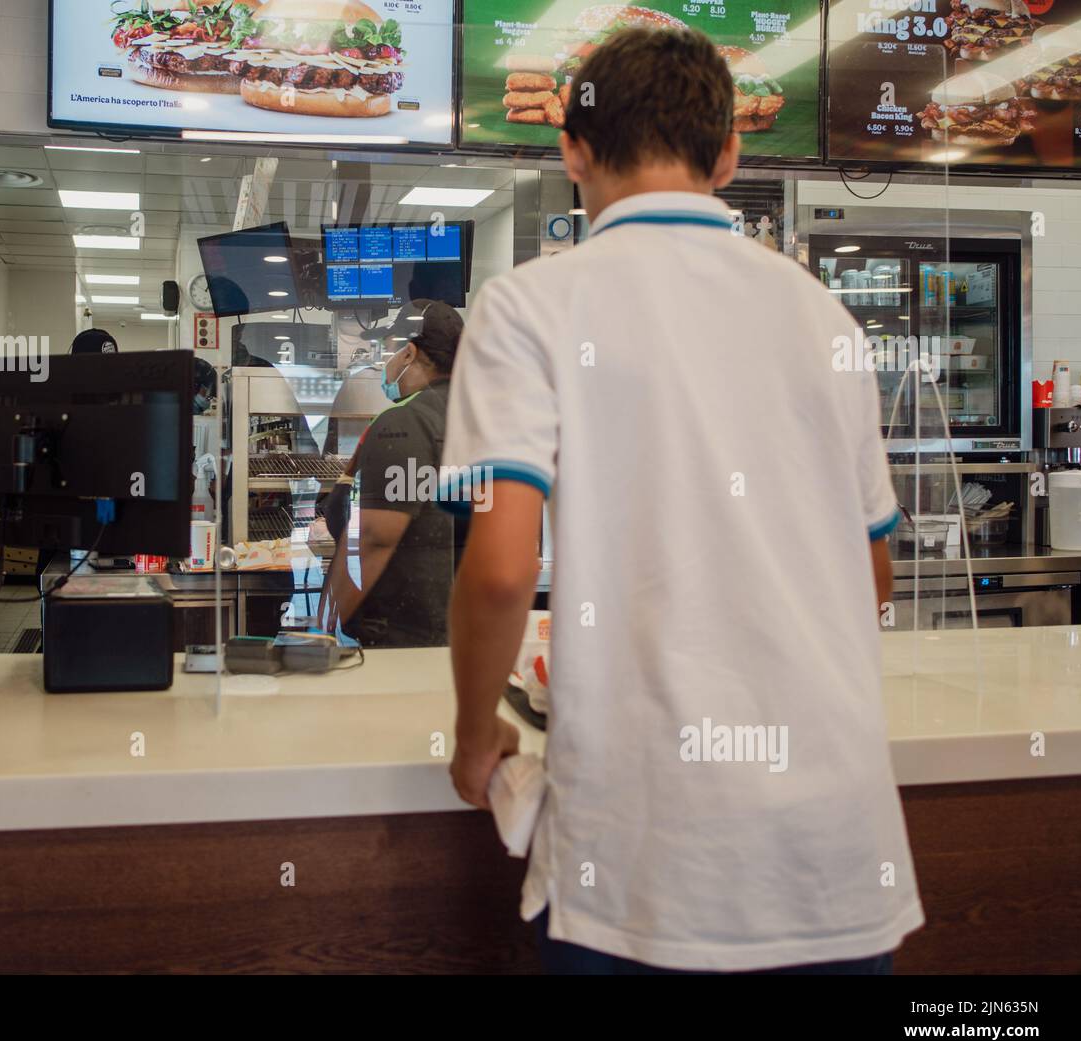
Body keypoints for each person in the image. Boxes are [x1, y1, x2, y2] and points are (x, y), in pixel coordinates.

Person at [441, 27, 922, 974]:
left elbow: (500, 571)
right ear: (731, 155)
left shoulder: (529, 306)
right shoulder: (824, 314)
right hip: (833, 851)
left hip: (643, 861)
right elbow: (871, 575)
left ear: (571, 146)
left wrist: (471, 739)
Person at [321, 299, 465, 647]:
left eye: (387, 349)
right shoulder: (482, 418)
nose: (384, 361)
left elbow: (374, 539)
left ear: (409, 353)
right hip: (464, 632)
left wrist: (320, 628)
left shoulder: (406, 421)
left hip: (404, 637)